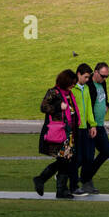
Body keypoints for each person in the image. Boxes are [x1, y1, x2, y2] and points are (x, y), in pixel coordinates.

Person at [34, 69, 80, 199]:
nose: (73, 86)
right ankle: (42, 180)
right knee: (63, 161)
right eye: (72, 83)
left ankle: (60, 190)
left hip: (69, 132)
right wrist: (59, 107)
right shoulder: (53, 92)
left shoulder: (69, 94)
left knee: (65, 161)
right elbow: (43, 107)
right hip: (59, 132)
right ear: (65, 81)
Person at [80, 61, 109, 192]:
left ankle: (84, 178)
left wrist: (107, 105)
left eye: (107, 76)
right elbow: (85, 106)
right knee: (88, 156)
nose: (104, 79)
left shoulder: (102, 83)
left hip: (99, 125)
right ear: (96, 72)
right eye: (103, 76)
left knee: (106, 152)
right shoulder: (88, 84)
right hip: (90, 126)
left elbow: (104, 97)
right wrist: (90, 125)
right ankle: (85, 181)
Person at [70, 63, 97, 196]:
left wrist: (92, 124)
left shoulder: (85, 88)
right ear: (78, 74)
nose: (87, 80)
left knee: (86, 157)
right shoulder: (72, 89)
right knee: (77, 158)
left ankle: (74, 181)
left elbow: (89, 108)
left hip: (84, 128)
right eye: (85, 77)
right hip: (74, 128)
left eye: (88, 77)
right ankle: (73, 186)